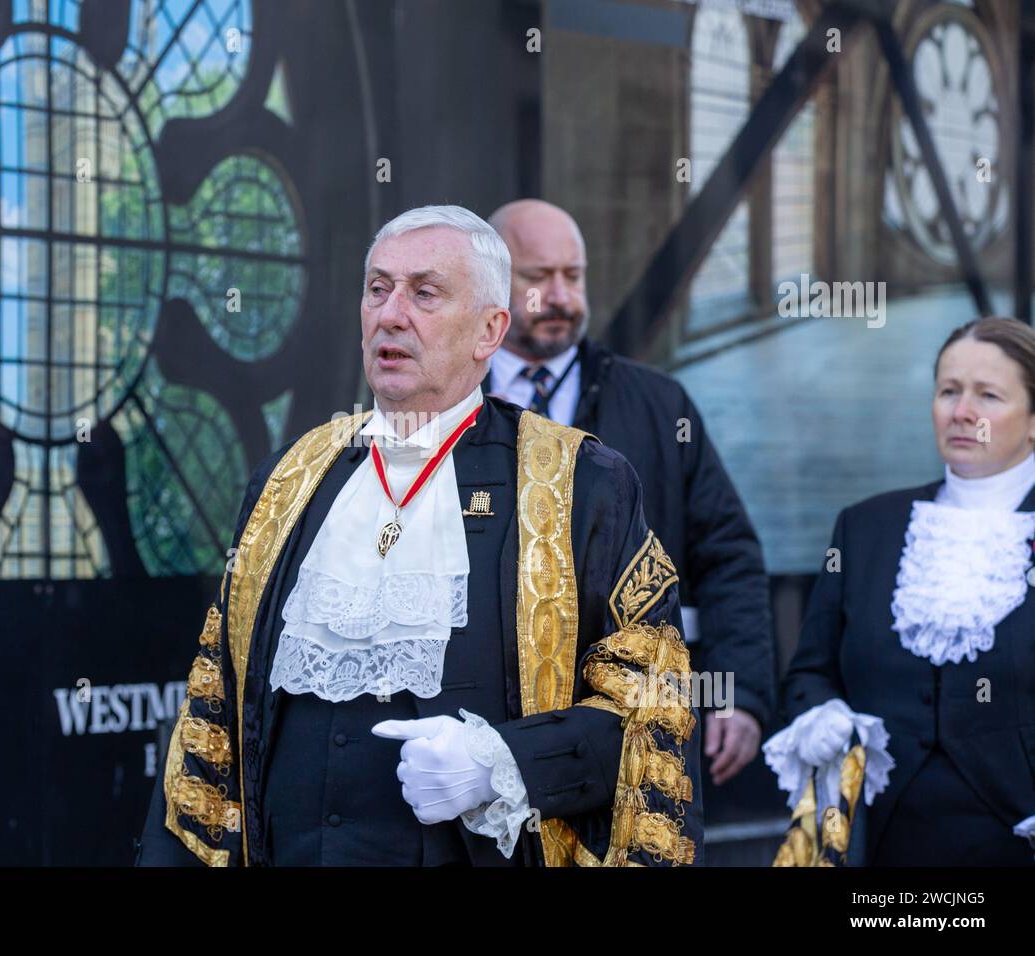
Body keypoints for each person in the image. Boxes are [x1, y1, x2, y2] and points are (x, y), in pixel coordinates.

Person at [135, 205, 702, 866]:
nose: (391, 314)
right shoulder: (287, 481)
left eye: (425, 293)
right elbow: (212, 718)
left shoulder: (583, 485)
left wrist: (507, 764)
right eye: (378, 289)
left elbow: (653, 715)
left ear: (490, 330)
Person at [485, 199, 772, 787]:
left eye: (574, 275)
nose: (562, 296)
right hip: (489, 724)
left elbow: (728, 556)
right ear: (490, 284)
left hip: (638, 728)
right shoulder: (449, 406)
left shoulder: (662, 406)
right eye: (538, 277)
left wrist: (740, 694)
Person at [765, 316, 1035, 866]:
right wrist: (823, 715)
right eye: (947, 391)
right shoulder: (866, 529)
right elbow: (811, 671)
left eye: (988, 395)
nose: (961, 412)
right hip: (883, 850)